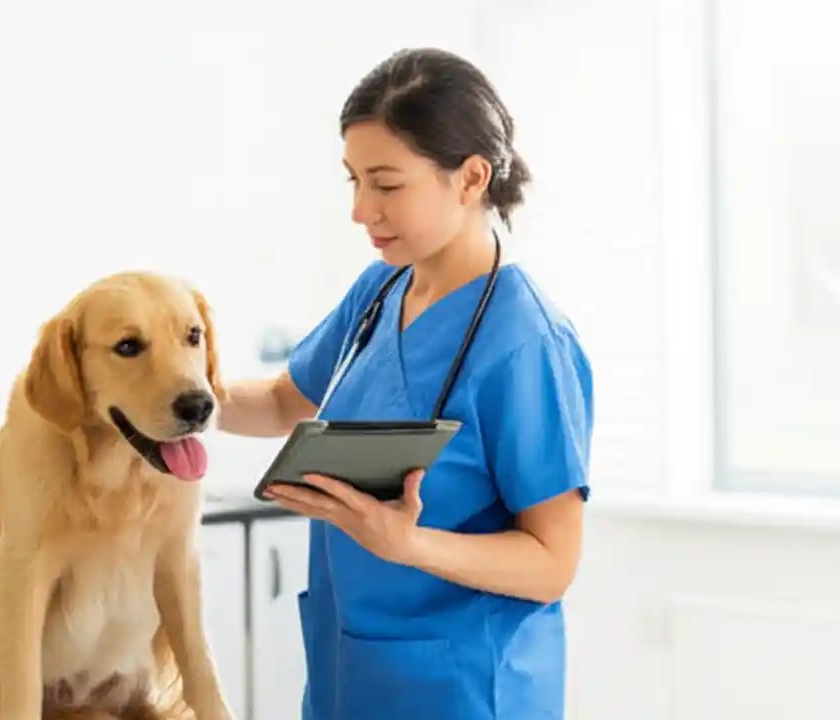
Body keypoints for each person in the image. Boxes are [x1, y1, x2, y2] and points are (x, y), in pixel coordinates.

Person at [216, 47, 593, 720]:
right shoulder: (382, 286)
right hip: (356, 671)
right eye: (353, 181)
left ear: (471, 178)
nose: (362, 210)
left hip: (466, 689)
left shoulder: (526, 344)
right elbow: (281, 402)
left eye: (386, 185)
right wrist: (171, 397)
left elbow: (552, 562)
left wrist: (407, 544)